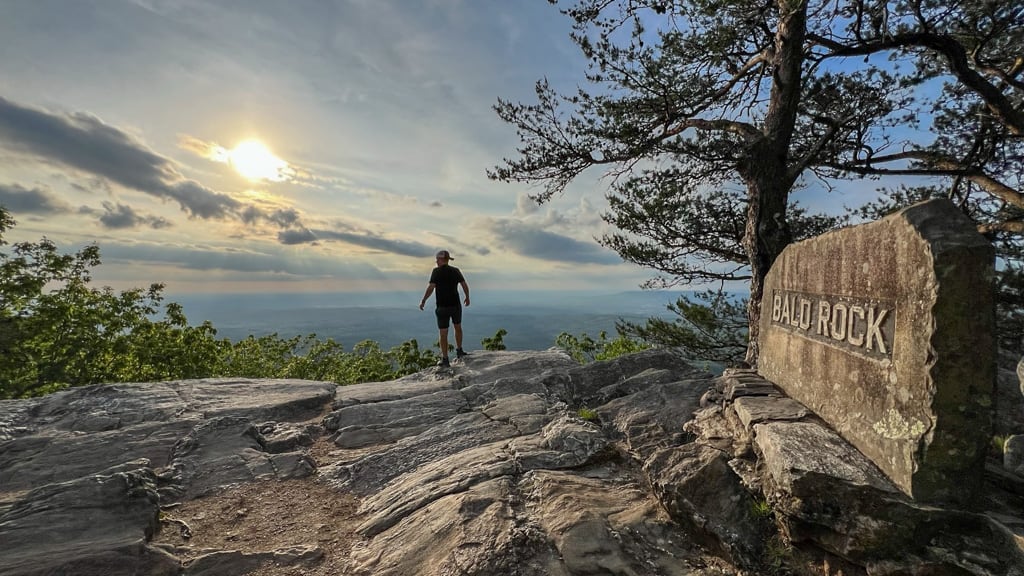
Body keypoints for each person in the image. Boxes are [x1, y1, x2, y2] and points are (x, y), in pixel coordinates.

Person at [419, 250, 470, 367]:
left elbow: (431, 287)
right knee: (458, 327)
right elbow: (464, 284)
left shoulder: (436, 272)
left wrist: (424, 300)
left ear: (441, 259)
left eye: (437, 259)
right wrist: (467, 297)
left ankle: (445, 359)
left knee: (443, 333)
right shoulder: (455, 271)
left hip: (442, 307)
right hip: (455, 305)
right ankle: (459, 350)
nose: (436, 261)